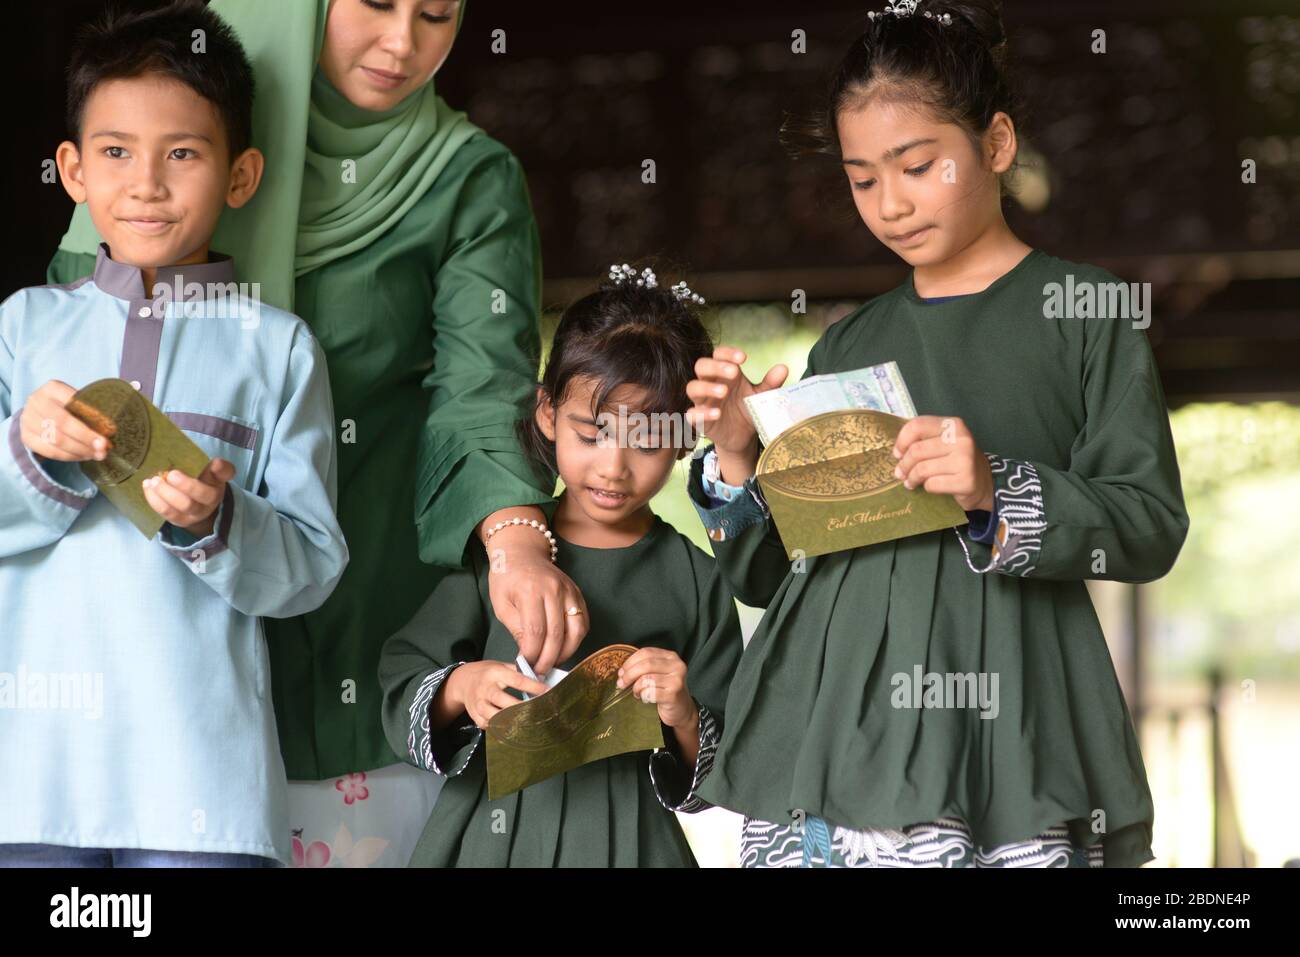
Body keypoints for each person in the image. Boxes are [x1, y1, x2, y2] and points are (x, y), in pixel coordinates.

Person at [47, 0, 583, 867]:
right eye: (374, 4)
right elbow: (85, 390)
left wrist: (516, 541)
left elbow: (481, 385)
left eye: (438, 14)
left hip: (361, 592)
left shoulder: (467, 178)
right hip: (159, 634)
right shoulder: (159, 131)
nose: (403, 43)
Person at [683, 0, 1189, 867]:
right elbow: (771, 574)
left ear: (995, 145)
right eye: (863, 178)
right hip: (835, 728)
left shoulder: (1084, 312)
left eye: (917, 165)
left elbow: (1147, 522)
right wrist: (739, 454)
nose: (891, 203)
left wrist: (994, 488)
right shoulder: (848, 340)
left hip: (1001, 717)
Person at [0, 1, 346, 867]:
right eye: (115, 152)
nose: (146, 182)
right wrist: (31, 453)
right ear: (72, 170)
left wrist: (216, 521)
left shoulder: (279, 348)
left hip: (203, 784)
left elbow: (310, 567)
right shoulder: (23, 329)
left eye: (182, 153)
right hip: (31, 779)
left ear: (242, 175)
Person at [379, 266, 744, 866]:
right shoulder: (501, 550)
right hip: (488, 830)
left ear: (685, 439)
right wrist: (461, 688)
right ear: (547, 413)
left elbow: (728, 757)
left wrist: (681, 712)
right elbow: (401, 675)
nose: (614, 467)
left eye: (647, 442)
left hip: (627, 836)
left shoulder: (697, 578)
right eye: (594, 432)